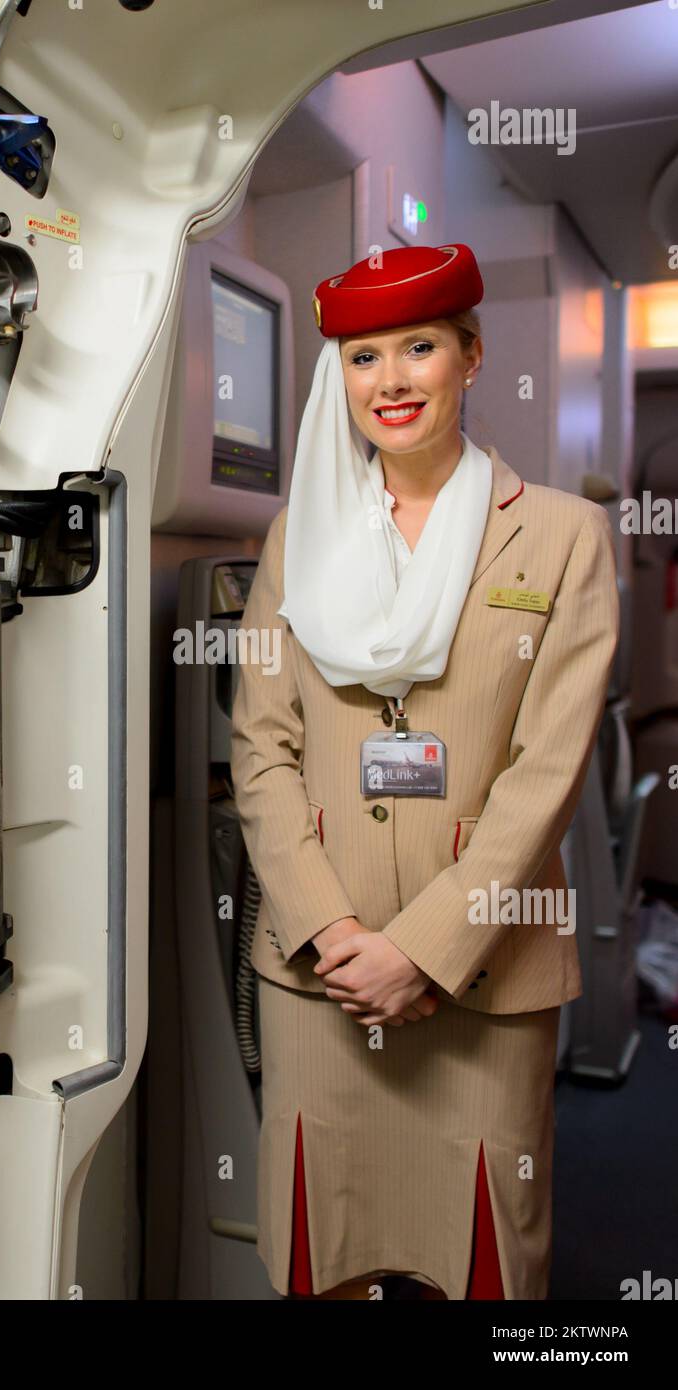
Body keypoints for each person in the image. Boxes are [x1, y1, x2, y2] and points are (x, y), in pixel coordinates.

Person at [229, 243, 620, 1301]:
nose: (390, 381)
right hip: (326, 973)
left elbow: (546, 772)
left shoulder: (563, 536)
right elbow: (260, 747)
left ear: (470, 356)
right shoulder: (298, 537)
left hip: (483, 970)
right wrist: (331, 931)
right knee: (323, 1252)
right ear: (340, 377)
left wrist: (422, 950)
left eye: (418, 348)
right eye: (363, 357)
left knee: (487, 1258)